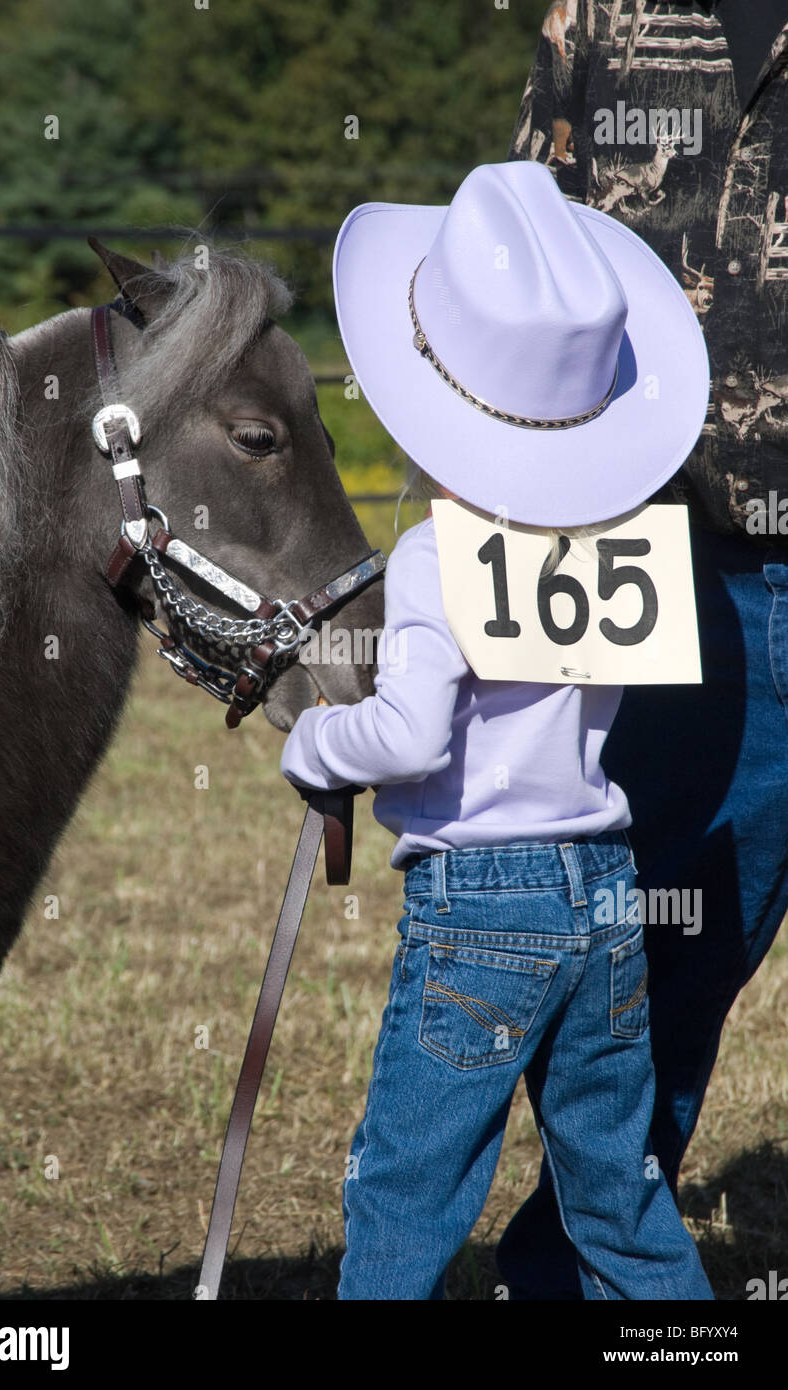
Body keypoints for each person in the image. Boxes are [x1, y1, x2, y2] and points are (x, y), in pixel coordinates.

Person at [280, 159, 713, 1299]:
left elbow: (413, 734)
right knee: (619, 1196)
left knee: (405, 1198)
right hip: (608, 884)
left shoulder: (434, 552)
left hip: (482, 900)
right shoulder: (618, 538)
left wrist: (314, 745)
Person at [498, 0, 788, 1299]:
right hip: (659, 546)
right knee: (664, 947)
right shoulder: (606, 12)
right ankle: (572, 1265)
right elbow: (519, 239)